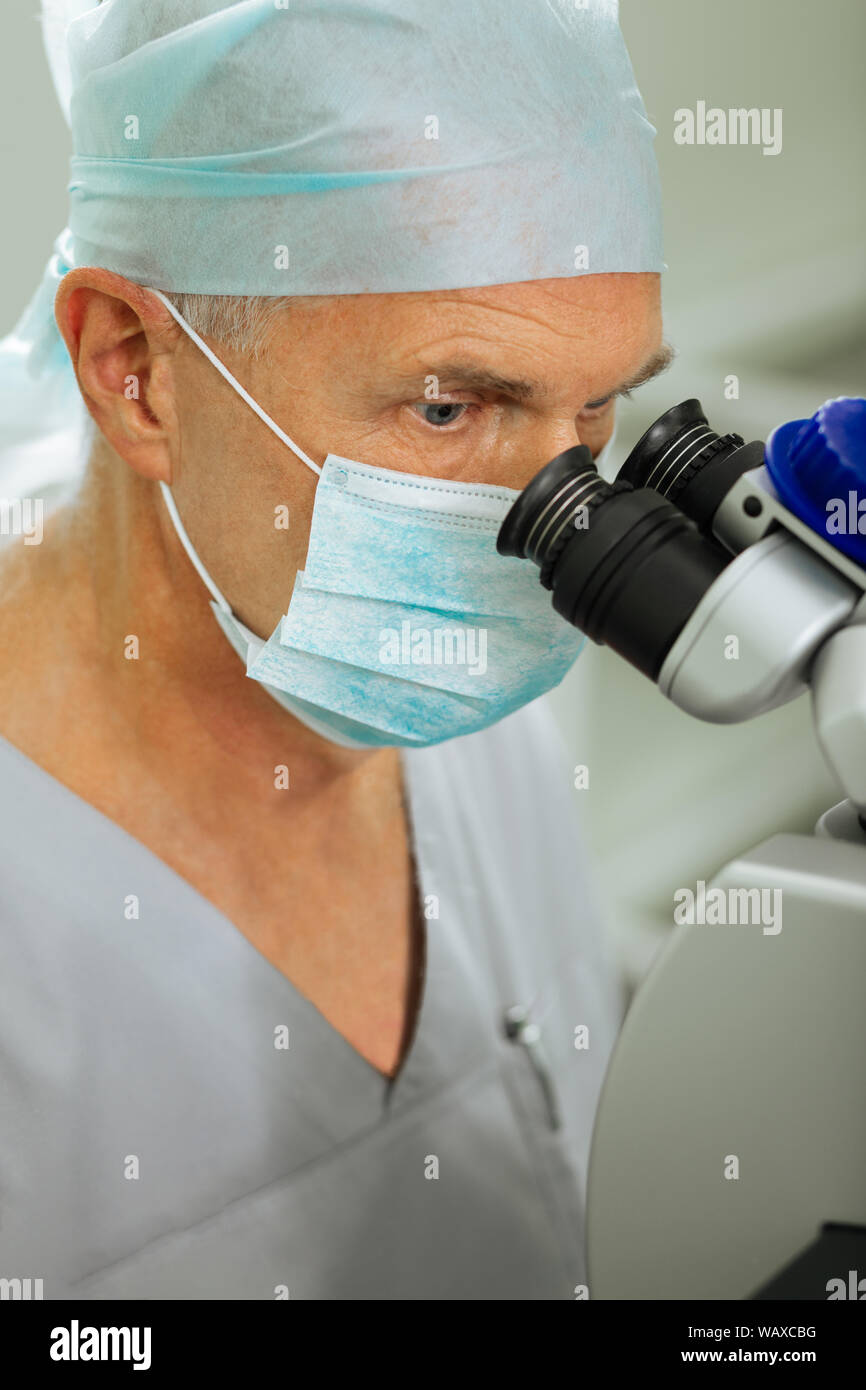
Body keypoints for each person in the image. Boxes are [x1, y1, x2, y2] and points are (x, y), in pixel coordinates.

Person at [0, 0, 669, 1299]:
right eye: (447, 405)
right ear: (134, 368)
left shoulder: (455, 675)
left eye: (599, 404)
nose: (557, 520)